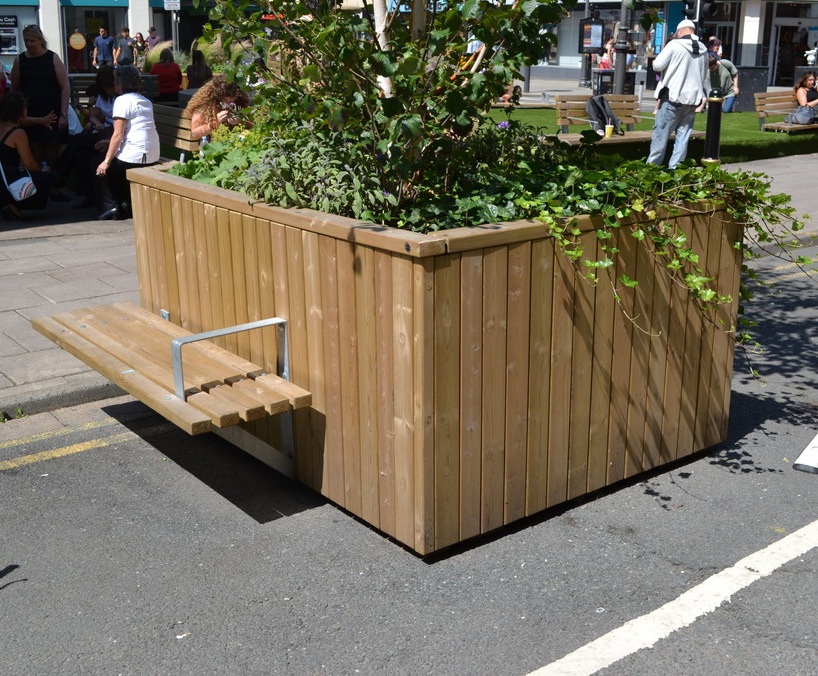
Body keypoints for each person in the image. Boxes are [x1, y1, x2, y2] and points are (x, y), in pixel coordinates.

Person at [94, 66, 159, 220]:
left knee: (98, 165)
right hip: (151, 152)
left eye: (116, 82)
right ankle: (122, 204)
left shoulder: (122, 100)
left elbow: (118, 135)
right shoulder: (144, 100)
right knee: (108, 164)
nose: (114, 85)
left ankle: (113, 206)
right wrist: (108, 143)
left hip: (135, 156)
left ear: (121, 84)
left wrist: (106, 162)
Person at [646, 19, 708, 169]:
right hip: (693, 100)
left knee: (660, 135)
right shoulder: (704, 49)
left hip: (673, 97)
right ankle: (676, 170)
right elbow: (704, 75)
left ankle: (650, 170)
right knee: (683, 137)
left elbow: (657, 65)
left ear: (680, 31)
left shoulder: (674, 44)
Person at [10, 24, 69, 171]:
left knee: (52, 154)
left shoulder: (52, 58)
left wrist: (63, 114)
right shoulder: (20, 60)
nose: (29, 44)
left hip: (52, 112)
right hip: (29, 112)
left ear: (40, 40)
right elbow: (14, 89)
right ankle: (38, 185)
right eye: (26, 41)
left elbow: (65, 87)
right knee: (34, 152)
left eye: (32, 41)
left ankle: (53, 187)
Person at [0, 91, 58, 219]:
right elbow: (30, 164)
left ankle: (8, 203)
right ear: (21, 110)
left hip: (2, 179)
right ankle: (13, 202)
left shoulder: (2, 127)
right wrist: (43, 173)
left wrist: (40, 121)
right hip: (9, 182)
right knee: (48, 179)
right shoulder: (17, 133)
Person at [185, 74, 251, 141]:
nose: (228, 104)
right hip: (211, 143)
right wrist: (214, 124)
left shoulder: (240, 101)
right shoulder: (203, 104)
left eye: (232, 101)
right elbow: (195, 134)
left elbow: (250, 125)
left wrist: (239, 121)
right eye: (226, 101)